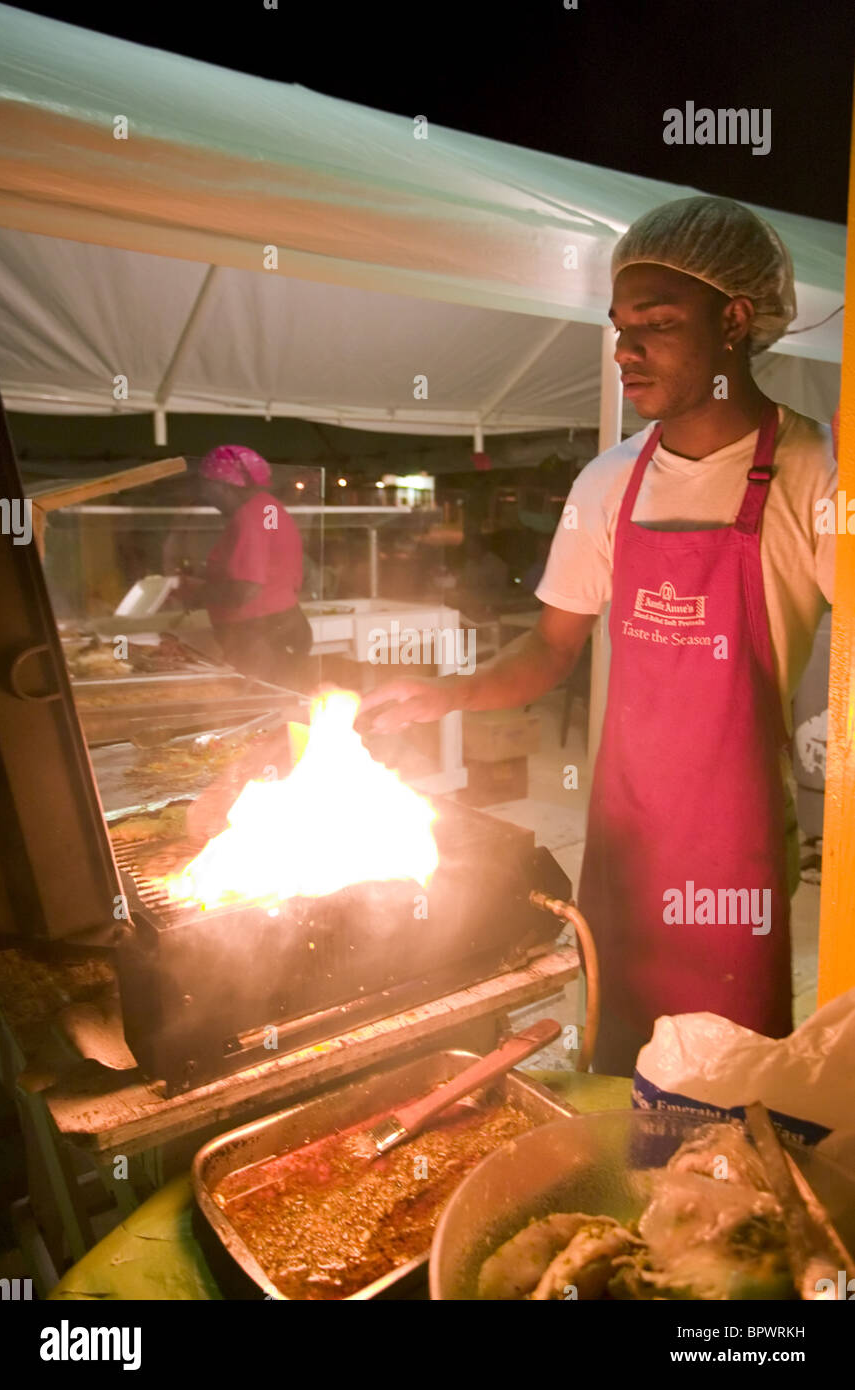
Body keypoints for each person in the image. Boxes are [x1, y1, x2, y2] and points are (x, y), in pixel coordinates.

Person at [359, 196, 838, 1076]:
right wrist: (446, 693)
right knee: (621, 1068)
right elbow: (549, 649)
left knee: (725, 1087)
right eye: (620, 328)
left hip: (732, 851)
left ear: (734, 320)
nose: (626, 352)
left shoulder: (817, 470)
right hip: (621, 837)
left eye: (655, 325)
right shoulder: (608, 480)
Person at [177, 445, 314, 689]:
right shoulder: (269, 507)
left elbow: (246, 591)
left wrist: (194, 592)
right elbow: (268, 558)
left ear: (223, 485)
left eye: (206, 486)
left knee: (260, 709)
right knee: (283, 703)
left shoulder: (249, 518)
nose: (205, 495)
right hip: (286, 624)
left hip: (261, 636)